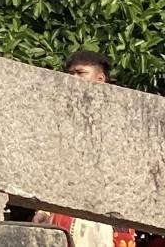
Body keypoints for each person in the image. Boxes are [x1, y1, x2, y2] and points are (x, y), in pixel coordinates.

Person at [31, 50, 135, 247]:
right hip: (65, 211)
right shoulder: (61, 118)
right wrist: (44, 210)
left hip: (108, 212)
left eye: (81, 73)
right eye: (70, 74)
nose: (74, 79)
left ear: (100, 79)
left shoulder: (121, 117)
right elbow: (55, 170)